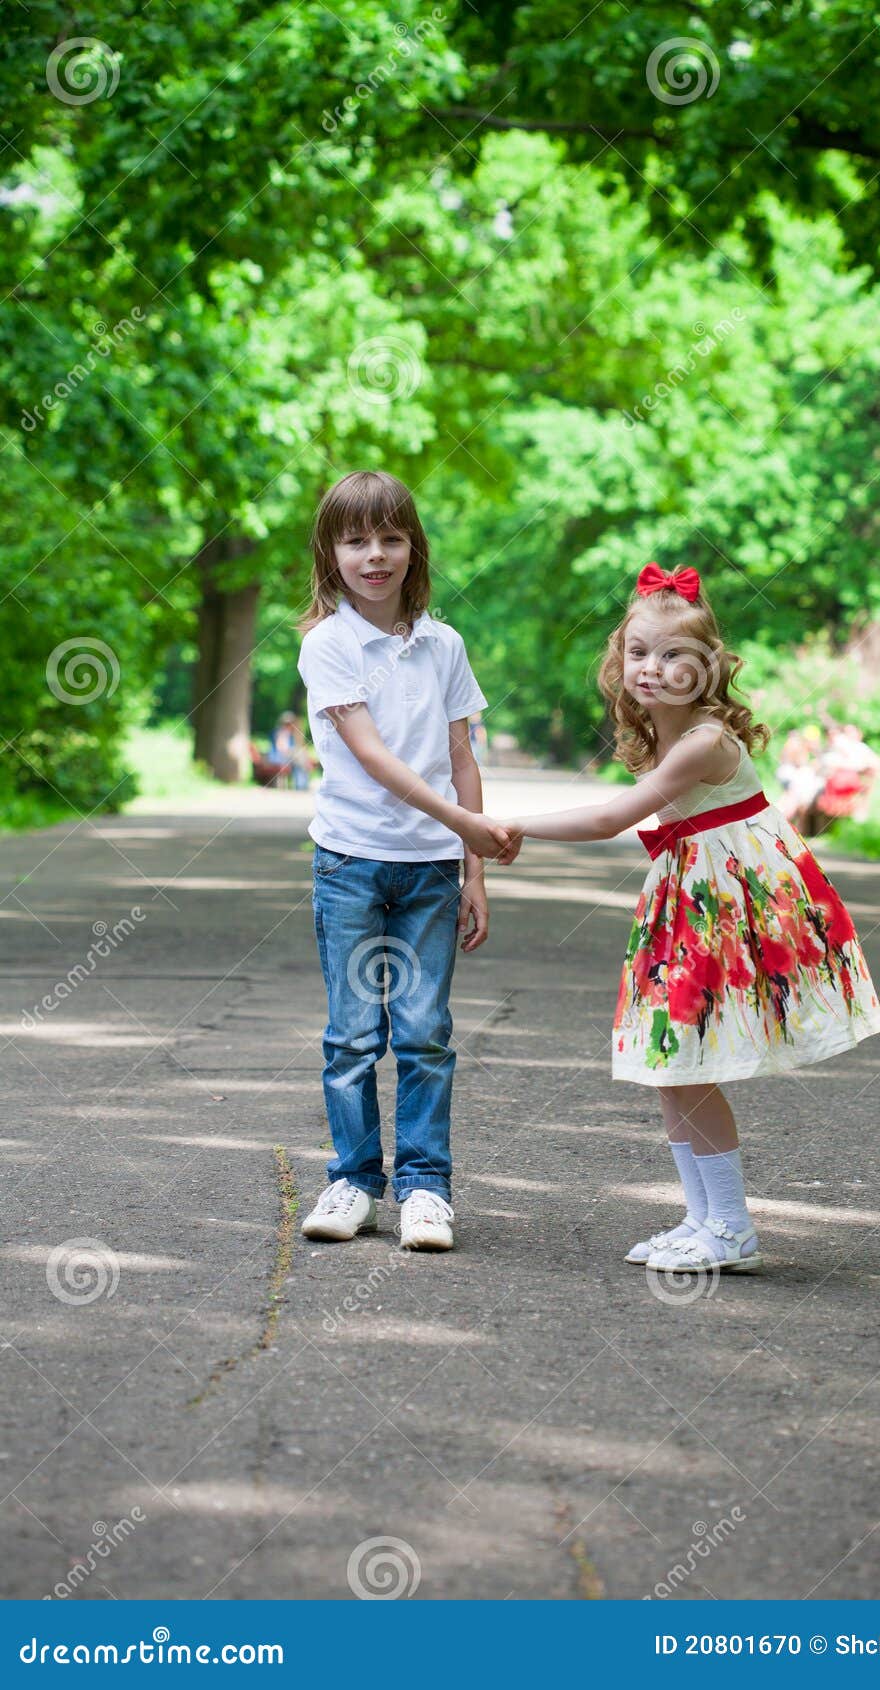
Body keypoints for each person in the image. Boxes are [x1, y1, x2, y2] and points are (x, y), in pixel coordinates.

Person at [501, 562, 880, 1276]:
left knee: (693, 1061)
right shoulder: (659, 735)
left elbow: (610, 818)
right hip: (689, 898)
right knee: (671, 1063)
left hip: (729, 908)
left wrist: (512, 825)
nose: (651, 667)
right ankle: (704, 1217)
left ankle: (732, 1228)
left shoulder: (704, 741)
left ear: (707, 668)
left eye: (673, 654)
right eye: (638, 652)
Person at [295, 470, 519, 1254]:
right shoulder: (327, 645)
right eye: (355, 541)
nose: (374, 556)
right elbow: (372, 755)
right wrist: (467, 825)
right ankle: (354, 1182)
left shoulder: (442, 644)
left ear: (413, 548)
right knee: (353, 1036)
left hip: (429, 870)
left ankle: (426, 1189)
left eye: (390, 538)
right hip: (350, 863)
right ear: (330, 554)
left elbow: (460, 757)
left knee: (424, 1033)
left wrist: (472, 869)